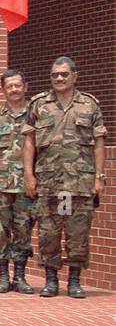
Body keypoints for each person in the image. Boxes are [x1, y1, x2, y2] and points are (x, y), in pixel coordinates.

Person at [22, 56, 107, 298]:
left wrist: (100, 177)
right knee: (49, 232)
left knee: (77, 233)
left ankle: (74, 281)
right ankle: (51, 280)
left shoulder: (89, 105)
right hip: (50, 184)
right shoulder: (39, 104)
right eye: (55, 75)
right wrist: (29, 175)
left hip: (78, 184)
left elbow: (98, 143)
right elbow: (29, 143)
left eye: (64, 74)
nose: (59, 78)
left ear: (75, 76)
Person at [0, 69, 36, 293]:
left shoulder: (36, 115)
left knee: (24, 231)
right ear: (3, 90)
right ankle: (3, 276)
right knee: (0, 232)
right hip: (0, 184)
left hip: (27, 186)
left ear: (25, 87)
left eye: (18, 85)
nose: (14, 90)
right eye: (9, 86)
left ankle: (21, 277)